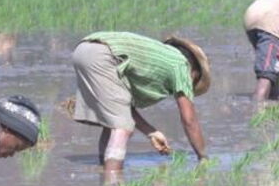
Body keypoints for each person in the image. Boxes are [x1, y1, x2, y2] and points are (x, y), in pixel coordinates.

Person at [70, 32, 210, 171]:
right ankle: (112, 182)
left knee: (112, 123)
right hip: (104, 54)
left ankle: (103, 170)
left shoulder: (160, 58)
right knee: (122, 129)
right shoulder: (182, 65)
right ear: (194, 73)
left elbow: (124, 108)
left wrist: (152, 133)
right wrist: (203, 157)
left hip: (83, 49)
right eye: (193, 83)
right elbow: (189, 120)